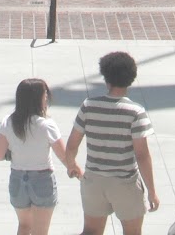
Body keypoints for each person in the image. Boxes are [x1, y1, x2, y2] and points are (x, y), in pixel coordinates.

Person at [63, 50, 160, 235]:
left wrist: (71, 165)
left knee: (91, 231)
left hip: (94, 181)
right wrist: (152, 191)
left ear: (106, 78)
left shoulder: (89, 106)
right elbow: (142, 155)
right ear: (131, 78)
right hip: (125, 183)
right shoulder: (135, 112)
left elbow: (72, 144)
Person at [0, 77, 77, 235]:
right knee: (41, 231)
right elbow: (65, 156)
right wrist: (76, 170)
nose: (47, 97)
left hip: (17, 180)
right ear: (38, 98)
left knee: (24, 226)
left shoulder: (8, 122)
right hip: (42, 180)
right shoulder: (47, 125)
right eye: (45, 94)